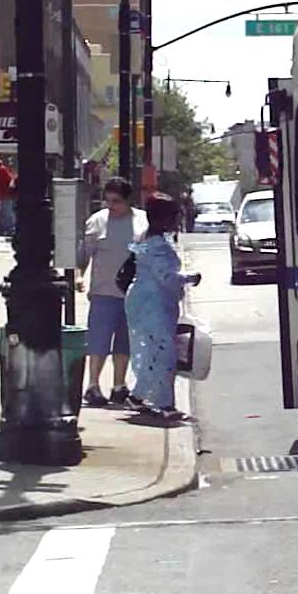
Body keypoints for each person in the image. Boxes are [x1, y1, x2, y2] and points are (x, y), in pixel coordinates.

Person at [124, 193, 200, 420]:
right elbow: (166, 277)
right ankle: (164, 403)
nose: (177, 221)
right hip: (153, 303)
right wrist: (190, 277)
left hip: (144, 300)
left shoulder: (143, 238)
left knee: (151, 351)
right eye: (174, 217)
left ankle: (139, 396)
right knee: (163, 352)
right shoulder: (158, 245)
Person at [78, 177, 147, 406]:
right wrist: (80, 276)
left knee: (124, 343)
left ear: (128, 200)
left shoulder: (142, 222)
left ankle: (119, 385)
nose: (111, 206)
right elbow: (84, 254)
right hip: (103, 291)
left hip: (133, 294)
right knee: (98, 341)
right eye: (107, 201)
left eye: (116, 201)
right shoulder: (97, 222)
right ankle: (93, 385)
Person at [0, 159, 16, 235]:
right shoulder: (0, 171)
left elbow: (9, 181)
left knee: (6, 213)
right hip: (3, 196)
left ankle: (9, 230)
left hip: (5, 196)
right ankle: (4, 230)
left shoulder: (2, 170)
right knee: (3, 213)